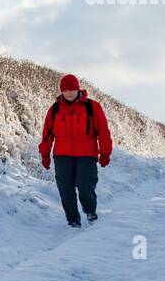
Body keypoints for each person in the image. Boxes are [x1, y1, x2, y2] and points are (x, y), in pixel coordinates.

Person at [38, 74, 112, 227]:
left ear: (78, 89)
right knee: (65, 188)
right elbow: (47, 134)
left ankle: (90, 211)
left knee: (85, 185)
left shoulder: (92, 107)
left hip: (87, 153)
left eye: (72, 89)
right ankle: (72, 221)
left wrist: (105, 152)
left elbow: (103, 131)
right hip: (62, 154)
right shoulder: (55, 109)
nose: (69, 92)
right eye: (65, 90)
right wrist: (45, 154)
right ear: (61, 91)